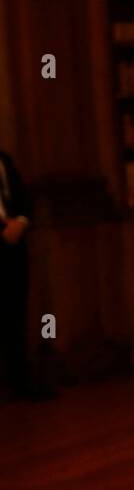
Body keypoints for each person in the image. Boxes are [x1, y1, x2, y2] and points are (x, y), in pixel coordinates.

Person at [0, 148, 52, 402]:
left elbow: (22, 197)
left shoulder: (5, 159)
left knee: (15, 311)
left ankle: (20, 380)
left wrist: (20, 221)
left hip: (14, 245)